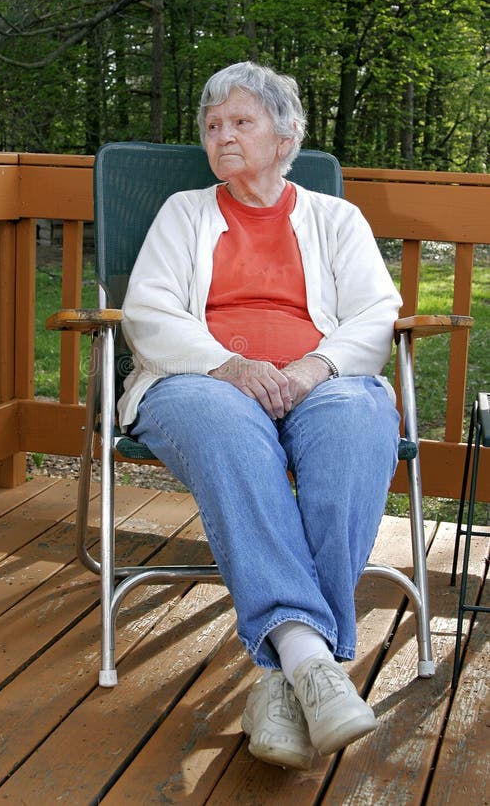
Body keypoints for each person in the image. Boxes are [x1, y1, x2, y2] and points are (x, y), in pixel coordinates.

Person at [118, 61, 402, 770]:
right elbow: (148, 309)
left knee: (356, 422)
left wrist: (311, 369)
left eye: (242, 122)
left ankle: (286, 676)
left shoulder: (337, 218)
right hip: (201, 381)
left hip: (319, 382)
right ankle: (315, 658)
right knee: (226, 422)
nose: (224, 136)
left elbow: (375, 312)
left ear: (285, 136)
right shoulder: (184, 213)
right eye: (213, 126)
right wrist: (231, 366)